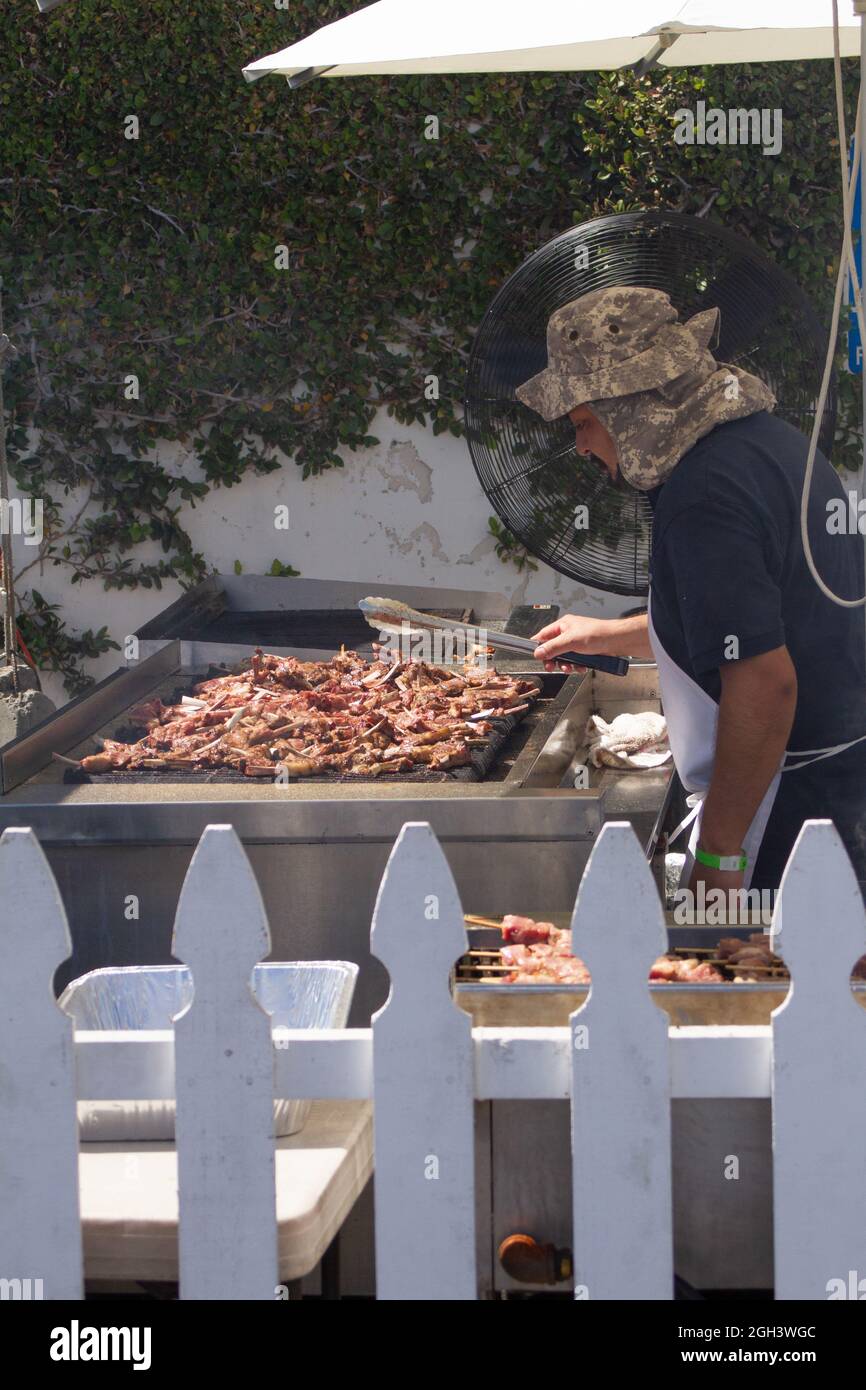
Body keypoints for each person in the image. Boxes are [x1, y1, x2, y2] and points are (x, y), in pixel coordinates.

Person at [515, 286, 866, 904]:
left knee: (769, 992)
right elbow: (764, 615)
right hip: (841, 787)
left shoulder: (703, 497)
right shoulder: (768, 445)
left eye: (584, 424)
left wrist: (718, 854)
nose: (582, 448)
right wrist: (613, 633)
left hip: (796, 811)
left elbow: (764, 681)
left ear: (629, 406)